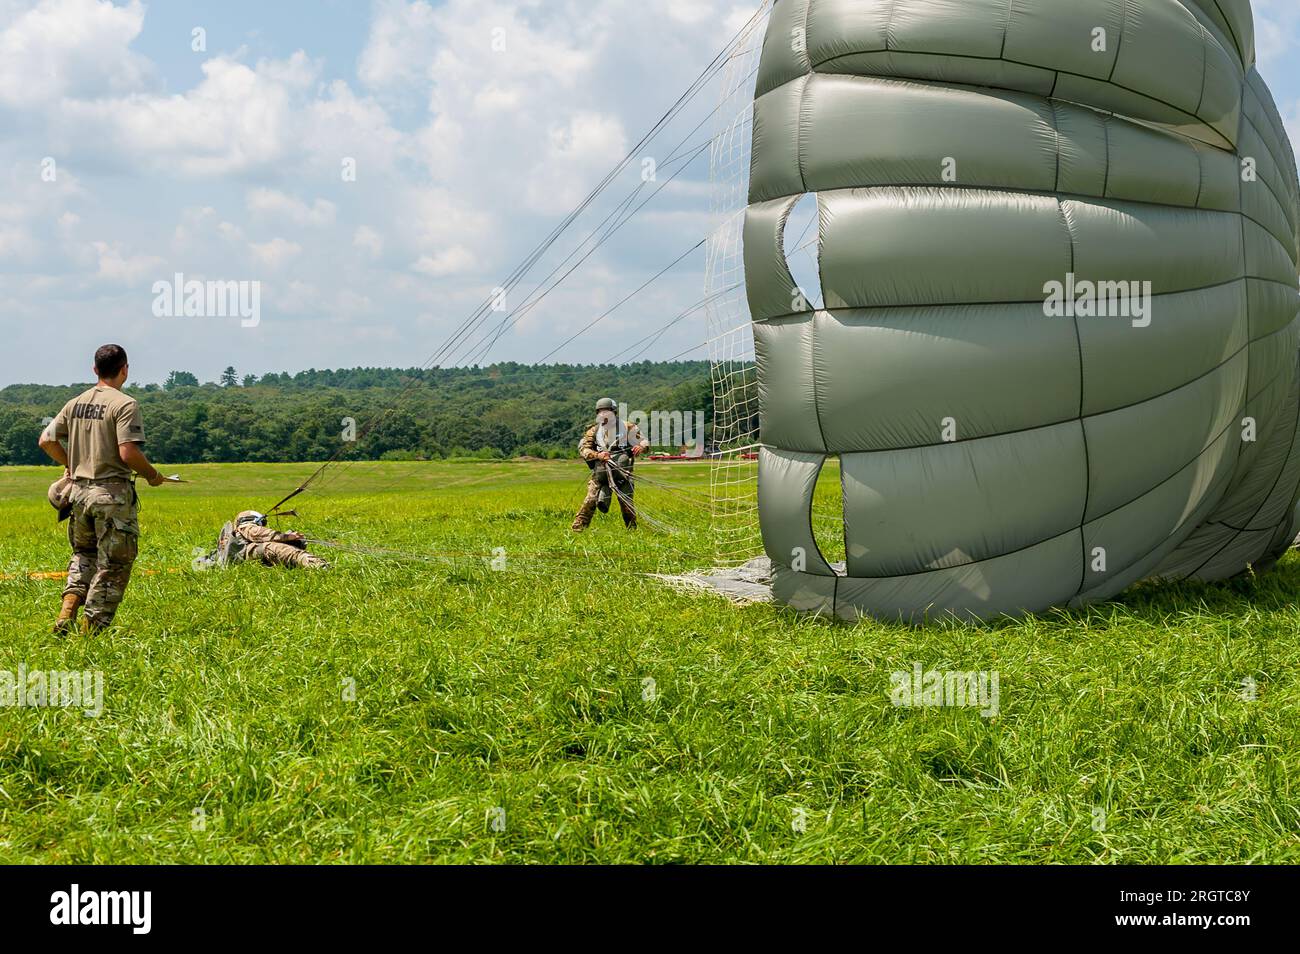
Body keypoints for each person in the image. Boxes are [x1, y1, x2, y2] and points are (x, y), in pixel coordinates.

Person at [38, 344, 168, 634]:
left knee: (84, 555)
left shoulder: (75, 403)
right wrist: (152, 475)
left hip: (78, 494)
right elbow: (128, 453)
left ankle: (67, 612)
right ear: (125, 369)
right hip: (110, 496)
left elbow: (46, 440)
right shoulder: (125, 404)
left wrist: (71, 464)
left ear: (95, 369)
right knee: (114, 563)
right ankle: (92, 630)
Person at [571, 397, 649, 531]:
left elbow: (644, 441)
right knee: (590, 500)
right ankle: (578, 529)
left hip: (623, 473)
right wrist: (597, 455)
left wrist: (642, 446)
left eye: (607, 411)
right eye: (600, 412)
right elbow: (584, 449)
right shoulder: (593, 431)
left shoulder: (628, 427)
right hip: (601, 472)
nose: (603, 414)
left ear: (614, 412)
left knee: (626, 504)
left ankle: (632, 530)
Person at [208, 511, 329, 569]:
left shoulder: (235, 533)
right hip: (246, 554)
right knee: (276, 548)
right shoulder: (244, 526)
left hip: (245, 558)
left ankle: (310, 564)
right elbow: (258, 534)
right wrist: (286, 537)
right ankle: (320, 565)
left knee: (279, 549)